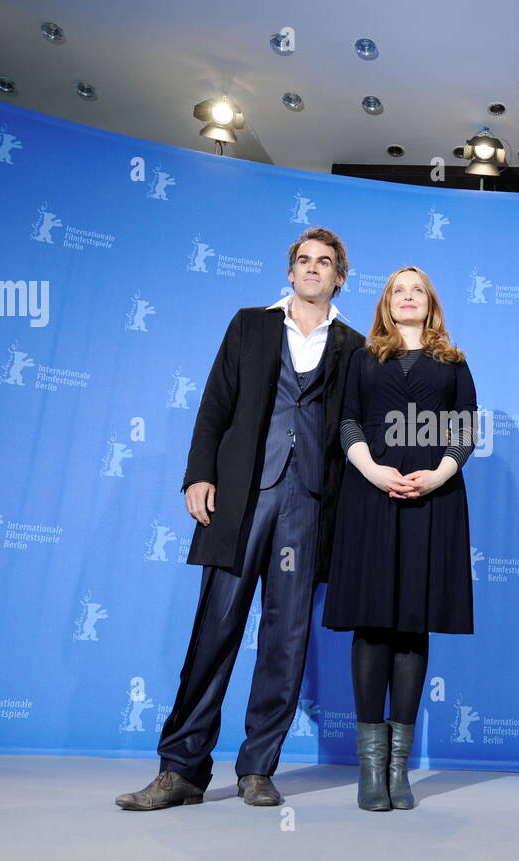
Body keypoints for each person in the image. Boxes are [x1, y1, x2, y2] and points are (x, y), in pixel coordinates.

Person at [116, 227, 365, 810]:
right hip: (241, 499)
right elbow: (215, 404)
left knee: (286, 639)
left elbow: (357, 428)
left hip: (308, 505)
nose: (311, 269)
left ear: (339, 277)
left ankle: (258, 768)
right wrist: (199, 475)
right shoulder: (249, 324)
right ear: (290, 271)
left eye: (323, 263)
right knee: (215, 630)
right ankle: (180, 770)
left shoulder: (354, 345)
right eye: (302, 261)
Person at [323, 265, 477, 811]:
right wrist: (373, 472)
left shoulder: (454, 364)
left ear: (430, 304)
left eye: (418, 290)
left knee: (412, 627)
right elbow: (348, 424)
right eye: (398, 291)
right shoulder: (364, 359)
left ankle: (398, 770)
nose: (407, 297)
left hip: (432, 503)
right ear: (386, 304)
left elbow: (463, 431)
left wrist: (436, 475)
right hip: (371, 498)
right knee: (372, 626)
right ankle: (370, 771)